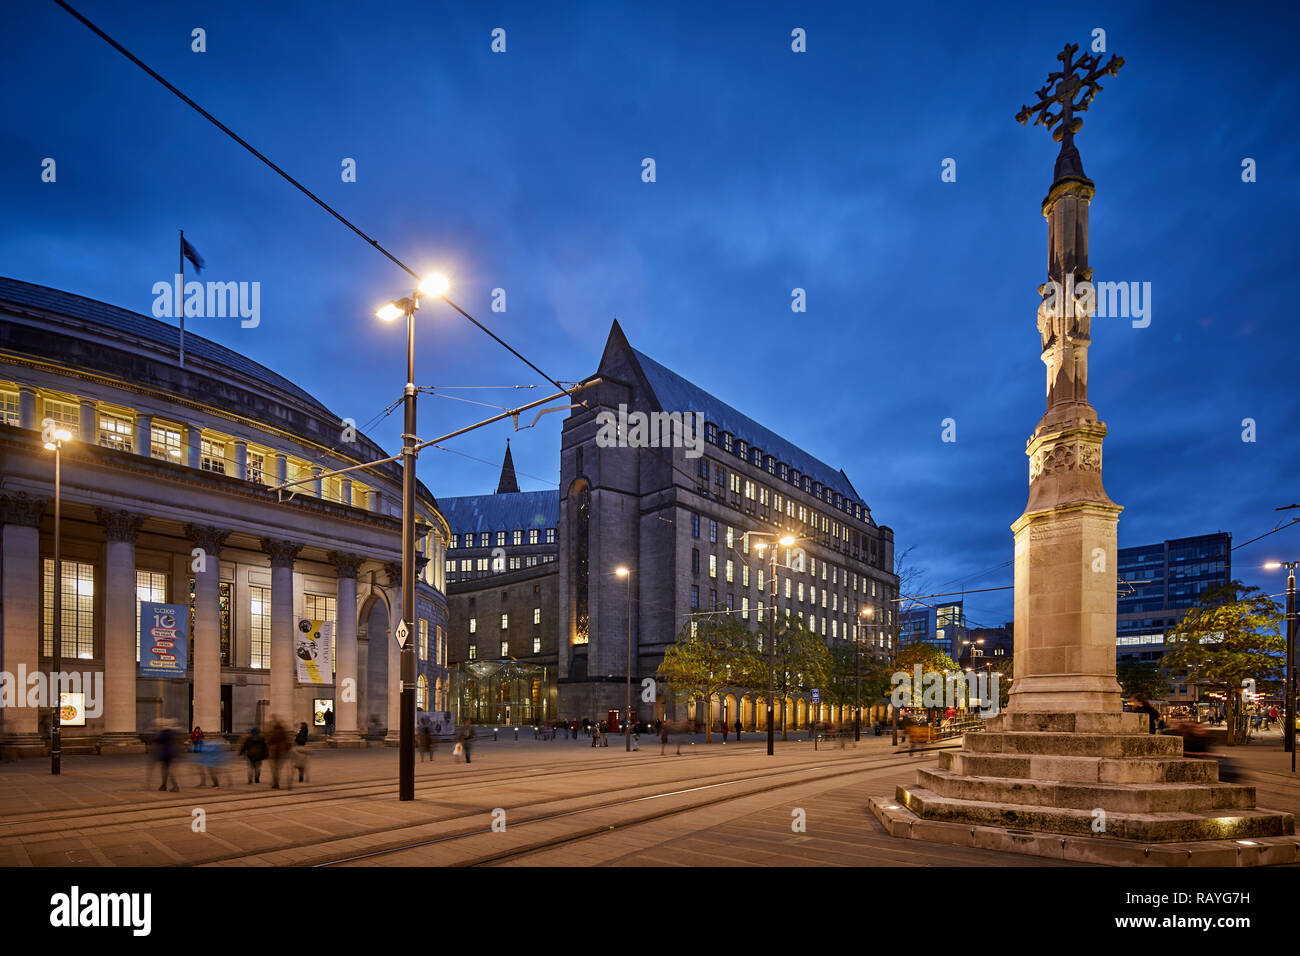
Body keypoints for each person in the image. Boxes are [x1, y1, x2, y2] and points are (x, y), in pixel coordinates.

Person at [154, 719, 180, 791]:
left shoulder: (164, 733)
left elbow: (157, 740)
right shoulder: (171, 732)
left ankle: (174, 786)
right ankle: (164, 785)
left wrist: (157, 732)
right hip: (170, 753)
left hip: (166, 753)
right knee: (166, 770)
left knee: (166, 770)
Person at [267, 718, 291, 788]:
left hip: (273, 753)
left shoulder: (272, 732)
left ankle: (275, 782)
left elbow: (268, 742)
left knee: (274, 769)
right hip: (281, 753)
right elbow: (288, 742)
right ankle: (276, 782)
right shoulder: (283, 732)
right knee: (278, 769)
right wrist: (287, 751)